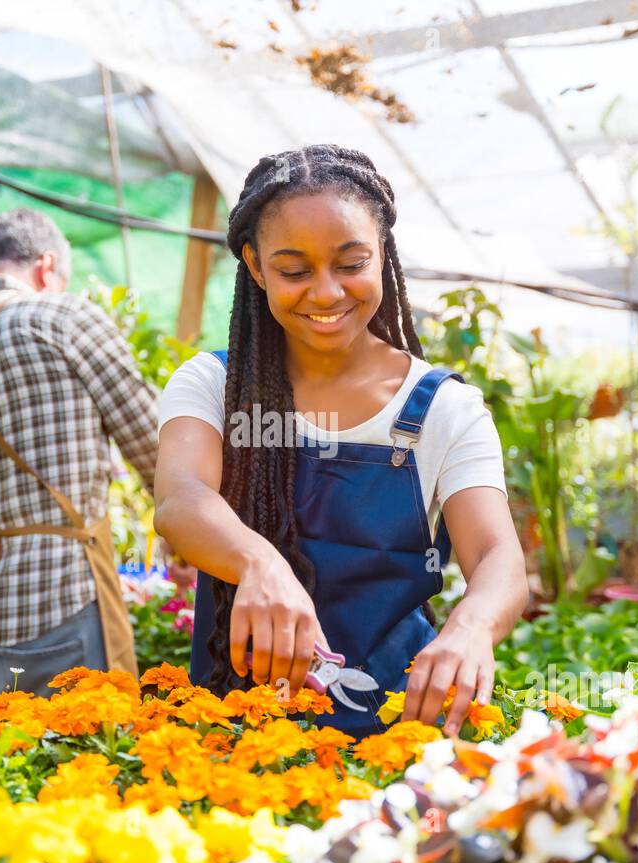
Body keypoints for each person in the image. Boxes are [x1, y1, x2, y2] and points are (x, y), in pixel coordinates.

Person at [154, 145, 528, 739]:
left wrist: (472, 625)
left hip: (400, 730)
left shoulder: (443, 409)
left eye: (351, 263)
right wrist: (259, 561)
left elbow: (497, 558)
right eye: (294, 271)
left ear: (383, 254)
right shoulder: (215, 385)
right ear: (254, 267)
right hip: (237, 736)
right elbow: (180, 498)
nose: (326, 293)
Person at [0, 207, 158, 697]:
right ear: (46, 268)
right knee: (74, 763)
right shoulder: (62, 316)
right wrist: (190, 540)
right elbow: (154, 444)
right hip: (55, 601)